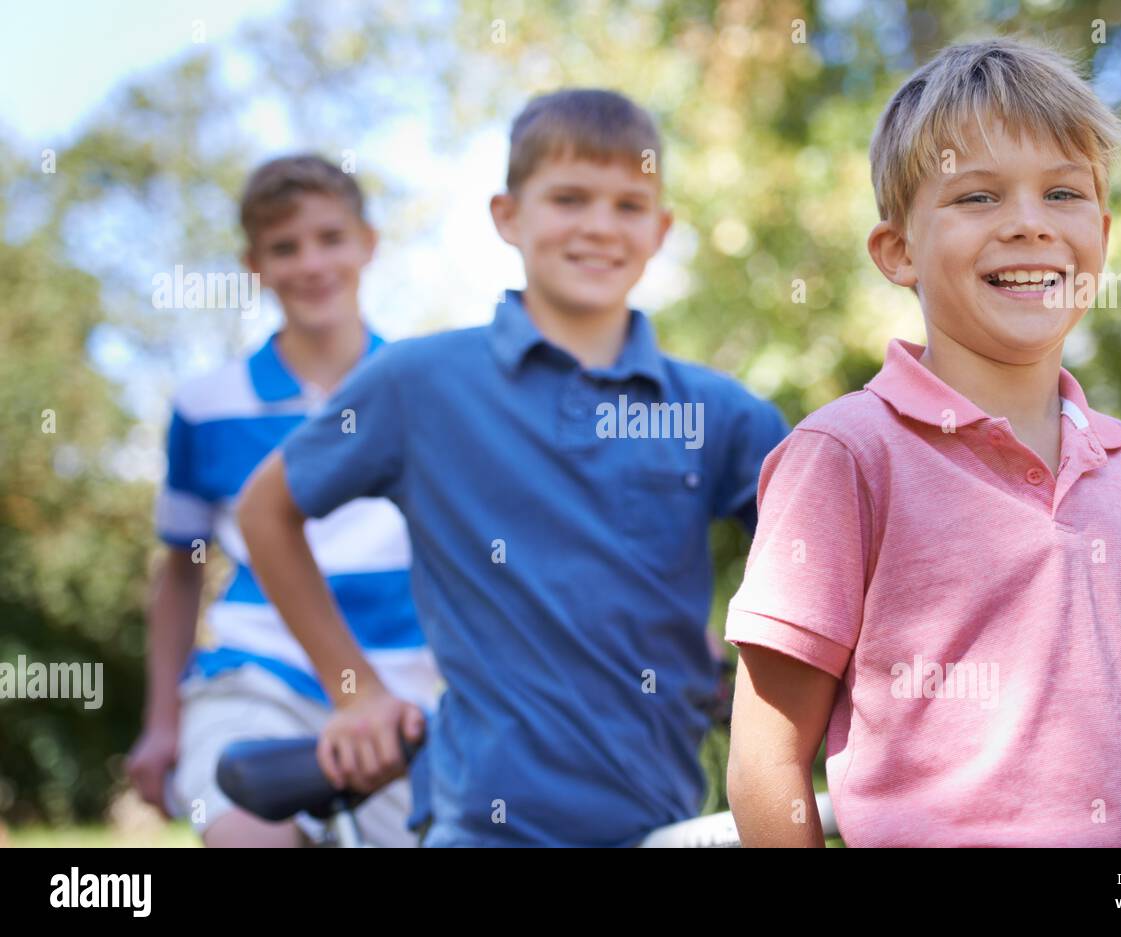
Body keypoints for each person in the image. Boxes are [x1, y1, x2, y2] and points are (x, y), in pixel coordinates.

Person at [724, 37, 1121, 847]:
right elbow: (764, 762)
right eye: (978, 197)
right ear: (898, 251)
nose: (1029, 224)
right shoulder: (846, 457)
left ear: (1100, 234)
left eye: (1062, 193)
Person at [236, 89, 791, 846]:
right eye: (569, 197)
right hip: (482, 821)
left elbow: (826, 562)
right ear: (508, 216)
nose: (599, 225)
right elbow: (264, 511)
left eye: (629, 205)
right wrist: (355, 689)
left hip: (664, 819)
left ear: (660, 230)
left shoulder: (724, 414)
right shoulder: (420, 383)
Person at [126, 154, 440, 847]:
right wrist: (162, 720)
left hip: (406, 692)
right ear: (254, 265)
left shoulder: (426, 386)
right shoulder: (206, 406)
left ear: (368, 242)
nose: (311, 263)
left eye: (331, 238)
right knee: (245, 835)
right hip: (257, 678)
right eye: (284, 247)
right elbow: (181, 567)